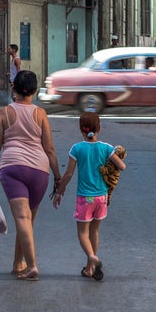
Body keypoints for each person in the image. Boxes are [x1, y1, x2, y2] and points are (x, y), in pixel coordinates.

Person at [0, 70, 62, 281]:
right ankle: (19, 263)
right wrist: (57, 176)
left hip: (13, 168)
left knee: (21, 218)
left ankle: (32, 266)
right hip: (39, 172)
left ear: (13, 89)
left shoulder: (5, 113)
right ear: (34, 91)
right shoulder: (41, 114)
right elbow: (50, 149)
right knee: (27, 220)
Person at [52, 111, 126, 281]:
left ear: (81, 129)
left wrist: (59, 191)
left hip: (85, 198)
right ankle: (89, 269)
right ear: (99, 128)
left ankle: (93, 259)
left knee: (82, 234)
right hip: (101, 198)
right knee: (95, 232)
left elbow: (69, 174)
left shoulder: (76, 149)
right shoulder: (106, 148)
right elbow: (122, 166)